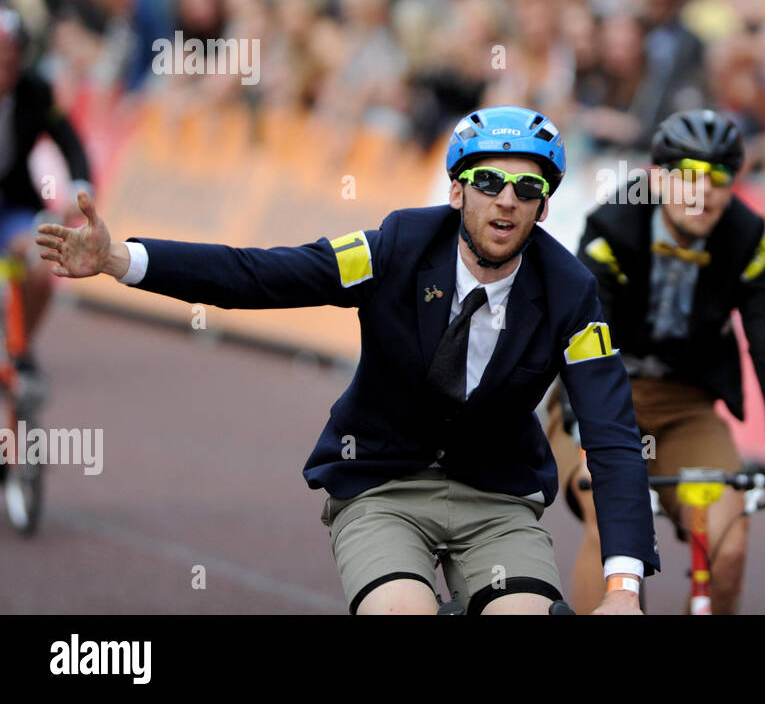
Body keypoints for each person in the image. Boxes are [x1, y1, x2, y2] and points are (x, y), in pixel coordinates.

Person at [35, 105, 658, 615]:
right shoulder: (394, 248)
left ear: (545, 207)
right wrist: (123, 260)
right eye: (489, 182)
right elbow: (259, 275)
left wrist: (623, 588)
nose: (506, 202)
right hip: (382, 482)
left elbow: (612, 435)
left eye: (528, 189)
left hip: (496, 498)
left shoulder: (572, 292)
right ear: (456, 190)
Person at [546, 109, 765, 614]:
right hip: (604, 396)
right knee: (612, 524)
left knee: (728, 542)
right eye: (688, 173)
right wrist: (590, 441)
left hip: (688, 407)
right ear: (658, 177)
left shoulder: (745, 239)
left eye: (719, 177)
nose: (704, 191)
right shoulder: (613, 224)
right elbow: (582, 342)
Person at [0, 7, 92, 369]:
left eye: (11, 58)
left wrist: (80, 188)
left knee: (42, 266)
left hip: (14, 206)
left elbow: (69, 141)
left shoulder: (36, 91)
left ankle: (20, 348)